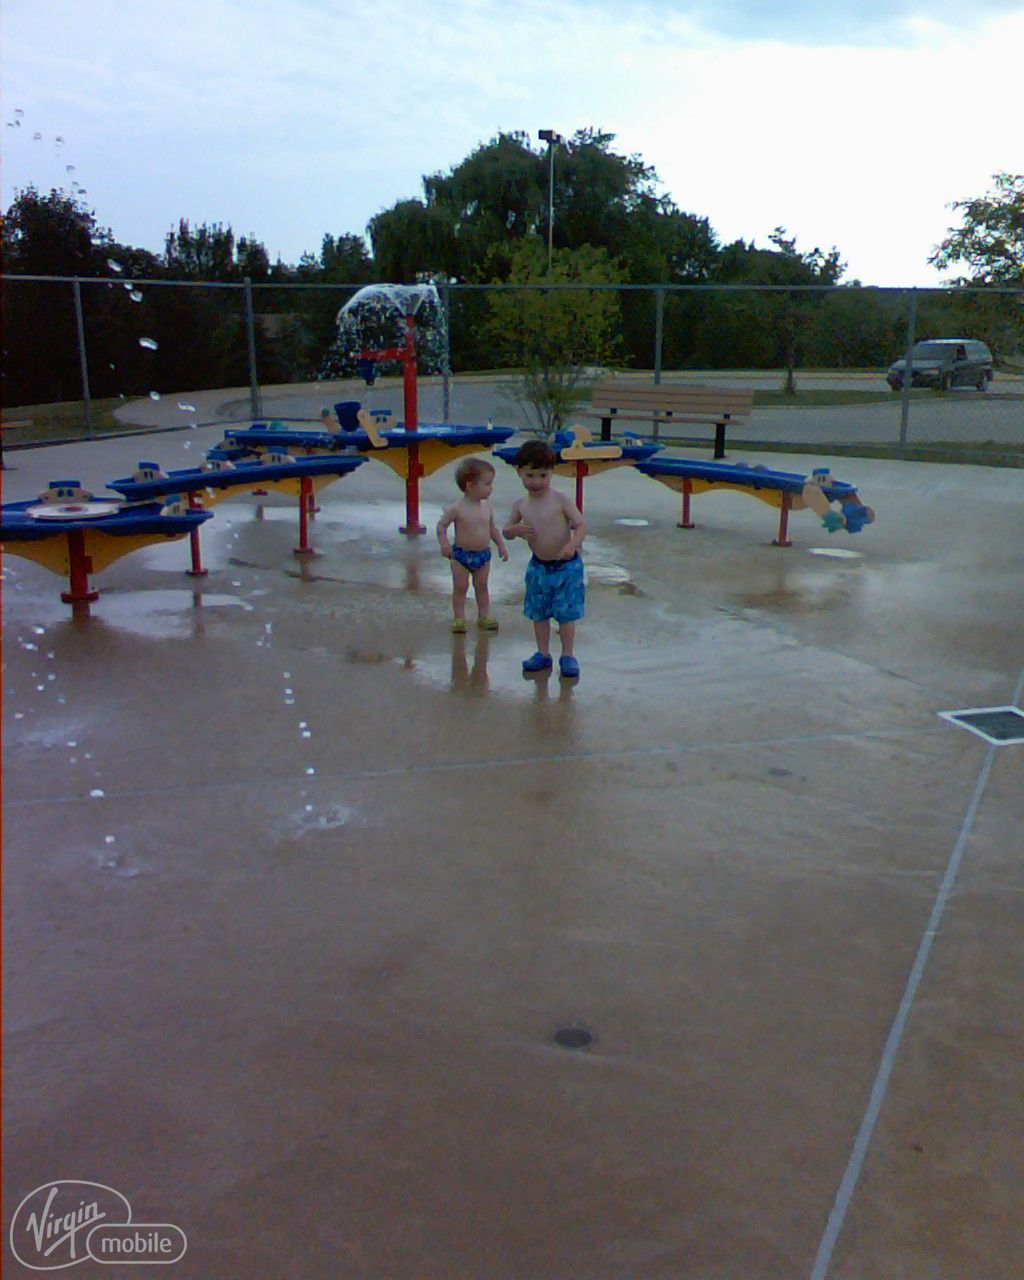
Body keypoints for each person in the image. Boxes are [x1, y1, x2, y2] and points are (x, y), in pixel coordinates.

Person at [502, 440, 587, 679]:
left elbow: (580, 525)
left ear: (553, 472)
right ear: (519, 471)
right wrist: (516, 530)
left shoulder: (560, 500)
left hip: (566, 567)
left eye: (543, 475)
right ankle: (542, 653)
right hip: (539, 567)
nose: (536, 481)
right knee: (538, 613)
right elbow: (507, 531)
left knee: (566, 614)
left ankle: (568, 655)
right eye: (530, 475)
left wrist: (572, 545)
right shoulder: (521, 505)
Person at [436, 458, 508, 633]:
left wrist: (501, 545)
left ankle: (484, 616)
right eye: (487, 484)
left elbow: (492, 528)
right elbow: (441, 526)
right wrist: (444, 544)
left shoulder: (487, 507)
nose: (491, 488)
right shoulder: (457, 508)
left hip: (483, 555)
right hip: (460, 555)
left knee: (482, 587)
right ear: (470, 486)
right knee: (460, 588)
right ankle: (459, 618)